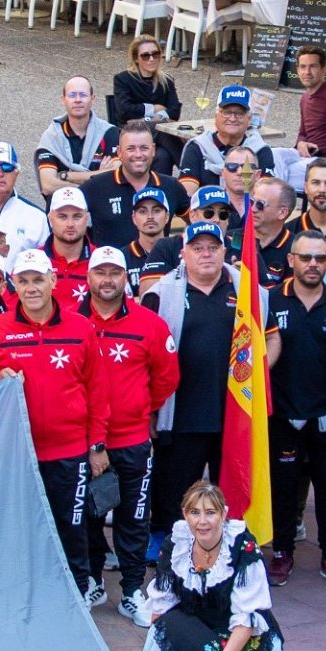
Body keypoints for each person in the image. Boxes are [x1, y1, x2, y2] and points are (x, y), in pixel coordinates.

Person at [0, 249, 108, 599]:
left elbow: (98, 391)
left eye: (38, 279)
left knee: (72, 526)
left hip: (69, 451)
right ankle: (27, 593)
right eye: (23, 281)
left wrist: (97, 444)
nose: (31, 288)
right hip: (18, 452)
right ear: (14, 286)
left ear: (52, 281)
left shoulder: (80, 328)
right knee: (21, 526)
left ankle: (77, 592)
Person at [81, 245, 177, 623]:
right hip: (84, 442)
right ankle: (92, 581)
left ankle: (132, 590)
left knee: (133, 519)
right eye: (100, 272)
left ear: (126, 277)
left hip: (133, 440)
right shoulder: (71, 321)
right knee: (86, 516)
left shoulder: (150, 324)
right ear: (89, 277)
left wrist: (140, 409)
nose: (107, 280)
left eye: (114, 273)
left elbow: (167, 376)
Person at [263, 227, 326, 592]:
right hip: (283, 415)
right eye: (306, 257)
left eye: (320, 258)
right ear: (291, 260)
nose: (313, 264)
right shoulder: (269, 301)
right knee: (283, 489)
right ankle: (282, 551)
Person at [136, 481, 286, 651]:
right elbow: (161, 605)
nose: (202, 521)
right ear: (185, 514)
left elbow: (246, 620)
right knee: (163, 626)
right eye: (194, 512)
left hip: (238, 631)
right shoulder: (177, 543)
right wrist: (159, 644)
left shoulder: (242, 546)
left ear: (223, 514)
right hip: (196, 624)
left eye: (210, 513)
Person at [143, 219, 233, 546]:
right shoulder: (159, 294)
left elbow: (269, 338)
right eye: (198, 248)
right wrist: (150, 410)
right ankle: (165, 543)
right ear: (184, 253)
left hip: (231, 413)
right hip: (180, 413)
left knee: (231, 490)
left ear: (224, 251)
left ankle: (229, 547)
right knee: (172, 489)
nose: (206, 254)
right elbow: (145, 357)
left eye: (213, 247)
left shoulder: (246, 290)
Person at [82, 121, 186, 250]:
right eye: (131, 148)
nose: (138, 155)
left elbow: (197, 220)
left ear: (153, 150)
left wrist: (178, 250)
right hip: (112, 262)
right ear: (119, 152)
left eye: (144, 148)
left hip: (157, 262)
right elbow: (65, 220)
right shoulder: (96, 186)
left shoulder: (171, 186)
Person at [177, 86, 274, 189]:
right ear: (216, 116)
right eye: (227, 112)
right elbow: (187, 192)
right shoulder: (198, 147)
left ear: (249, 119)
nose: (232, 119)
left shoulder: (260, 150)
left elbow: (266, 192)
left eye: (239, 113)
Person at [36, 76, 117, 196]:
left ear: (92, 99)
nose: (78, 100)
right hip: (62, 205)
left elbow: (116, 174)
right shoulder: (51, 137)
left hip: (101, 205)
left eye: (83, 95)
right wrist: (98, 178)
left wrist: (66, 175)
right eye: (72, 95)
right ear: (63, 100)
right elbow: (48, 186)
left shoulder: (110, 132)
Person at [110, 37, 184, 127]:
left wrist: (153, 118)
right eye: (145, 56)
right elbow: (125, 110)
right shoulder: (123, 79)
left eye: (155, 54)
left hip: (161, 128)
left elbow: (175, 111)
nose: (151, 59)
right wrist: (154, 108)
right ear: (136, 59)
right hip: (132, 131)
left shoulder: (167, 80)